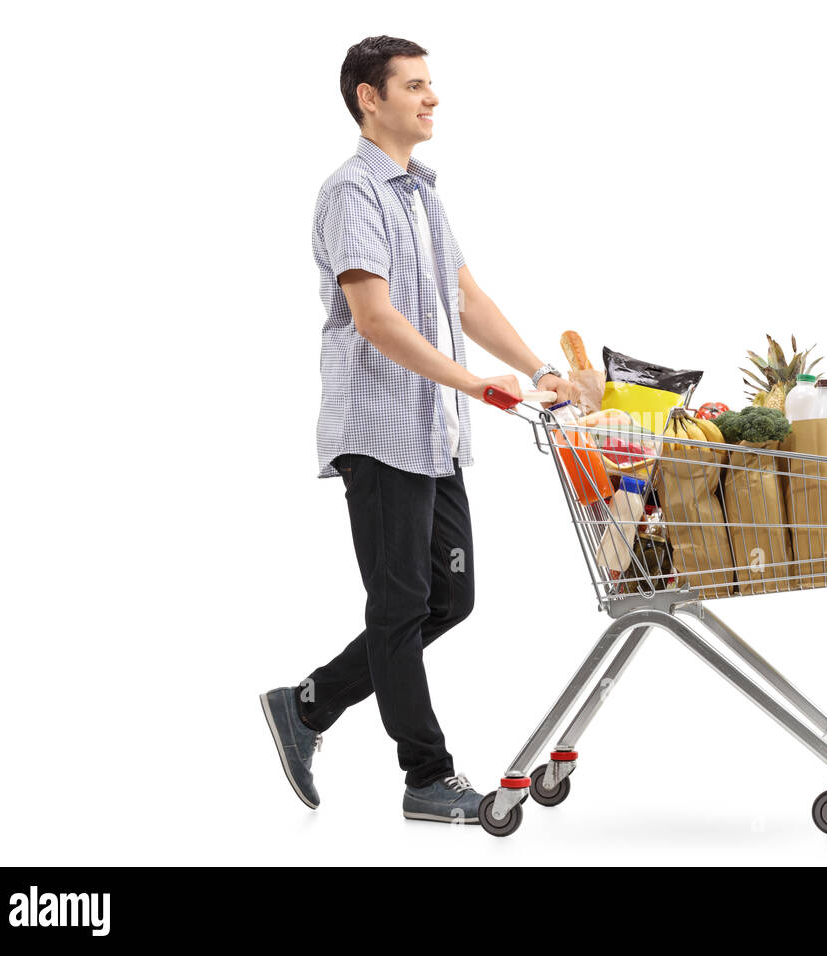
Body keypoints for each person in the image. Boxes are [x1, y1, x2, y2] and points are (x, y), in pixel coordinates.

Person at [260, 35, 576, 825]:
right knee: (400, 605)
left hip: (433, 429)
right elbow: (374, 319)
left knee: (449, 598)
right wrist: (477, 385)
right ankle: (427, 778)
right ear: (369, 98)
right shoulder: (352, 193)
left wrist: (538, 370)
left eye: (431, 84)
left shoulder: (421, 194)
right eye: (413, 86)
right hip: (379, 428)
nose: (432, 98)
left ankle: (308, 704)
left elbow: (465, 299)